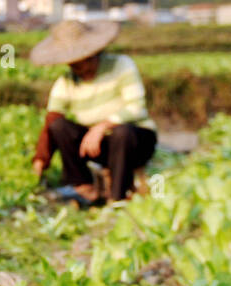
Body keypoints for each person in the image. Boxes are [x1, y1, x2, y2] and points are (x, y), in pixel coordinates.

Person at [29, 19, 157, 204]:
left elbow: (137, 108)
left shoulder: (121, 65)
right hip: (98, 146)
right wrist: (41, 159)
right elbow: (52, 120)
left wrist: (102, 127)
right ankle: (84, 187)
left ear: (91, 54)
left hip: (134, 141)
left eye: (78, 62)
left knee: (122, 132)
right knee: (59, 127)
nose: (74, 66)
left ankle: (117, 195)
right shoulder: (66, 82)